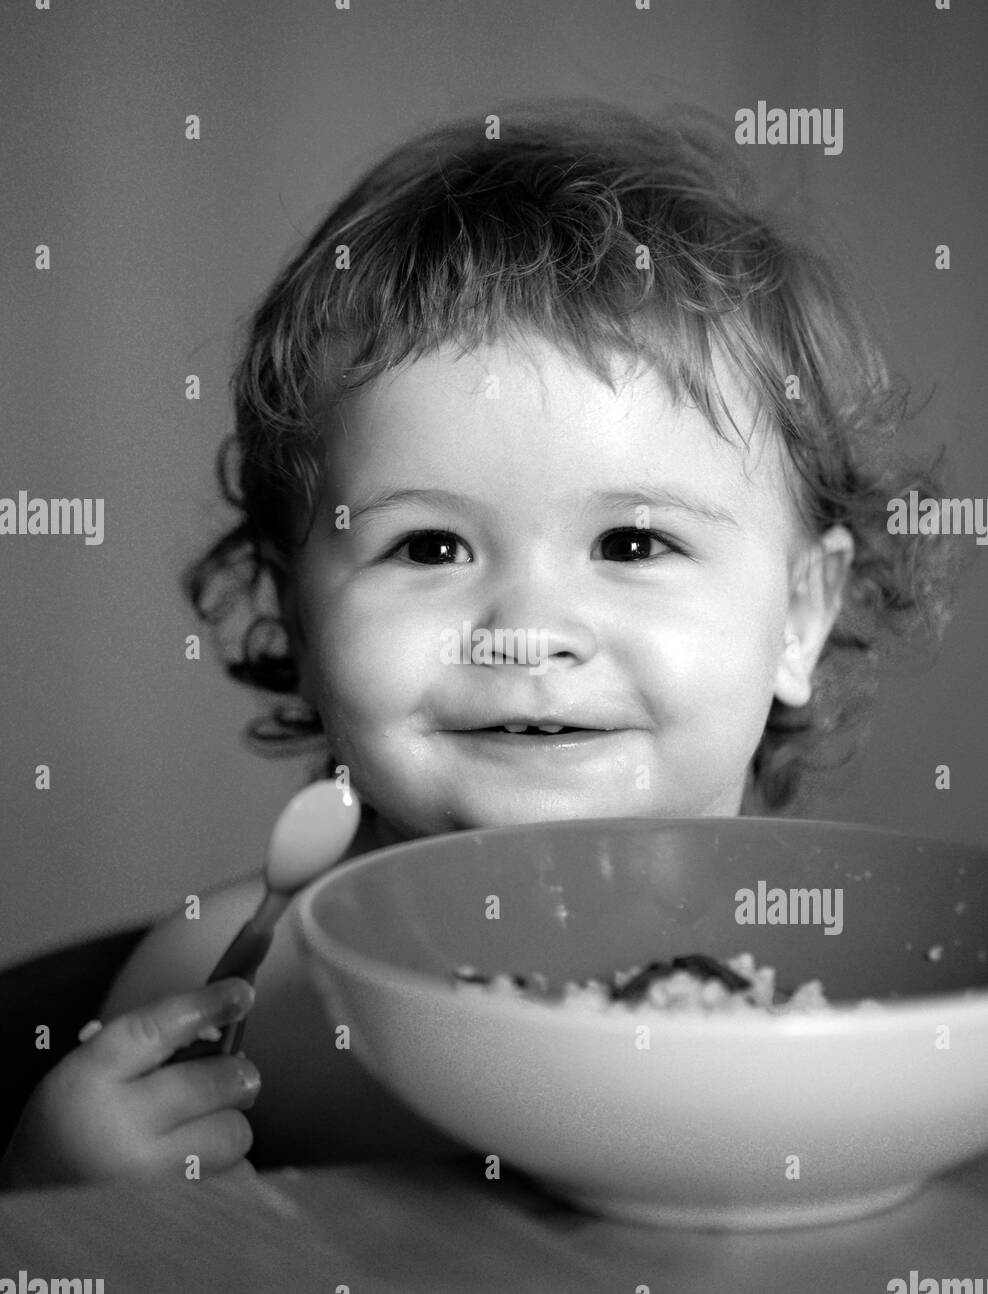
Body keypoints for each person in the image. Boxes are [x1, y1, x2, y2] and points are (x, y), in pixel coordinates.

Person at [0, 100, 959, 1189]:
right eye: (429, 546)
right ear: (294, 613)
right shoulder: (224, 992)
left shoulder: (871, 987)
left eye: (633, 540)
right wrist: (65, 1199)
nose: (526, 634)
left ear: (800, 613)